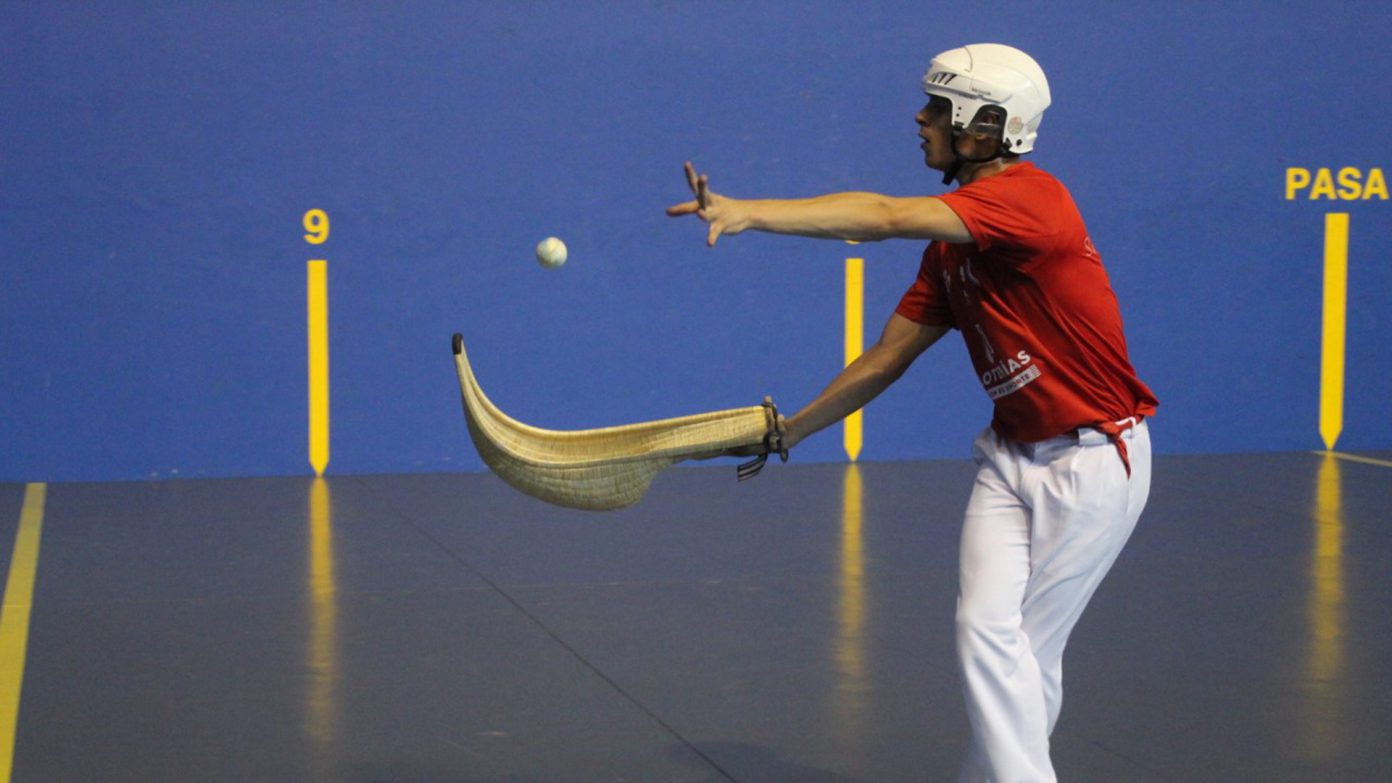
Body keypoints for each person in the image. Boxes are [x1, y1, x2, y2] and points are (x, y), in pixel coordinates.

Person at [666, 43, 1158, 782]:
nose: (920, 120)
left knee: (1021, 651)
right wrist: (790, 429)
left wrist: (749, 213)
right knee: (990, 637)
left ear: (987, 127)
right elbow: (886, 357)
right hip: (1008, 456)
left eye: (938, 109)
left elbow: (884, 216)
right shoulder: (952, 249)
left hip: (1094, 460)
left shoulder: (1034, 199)